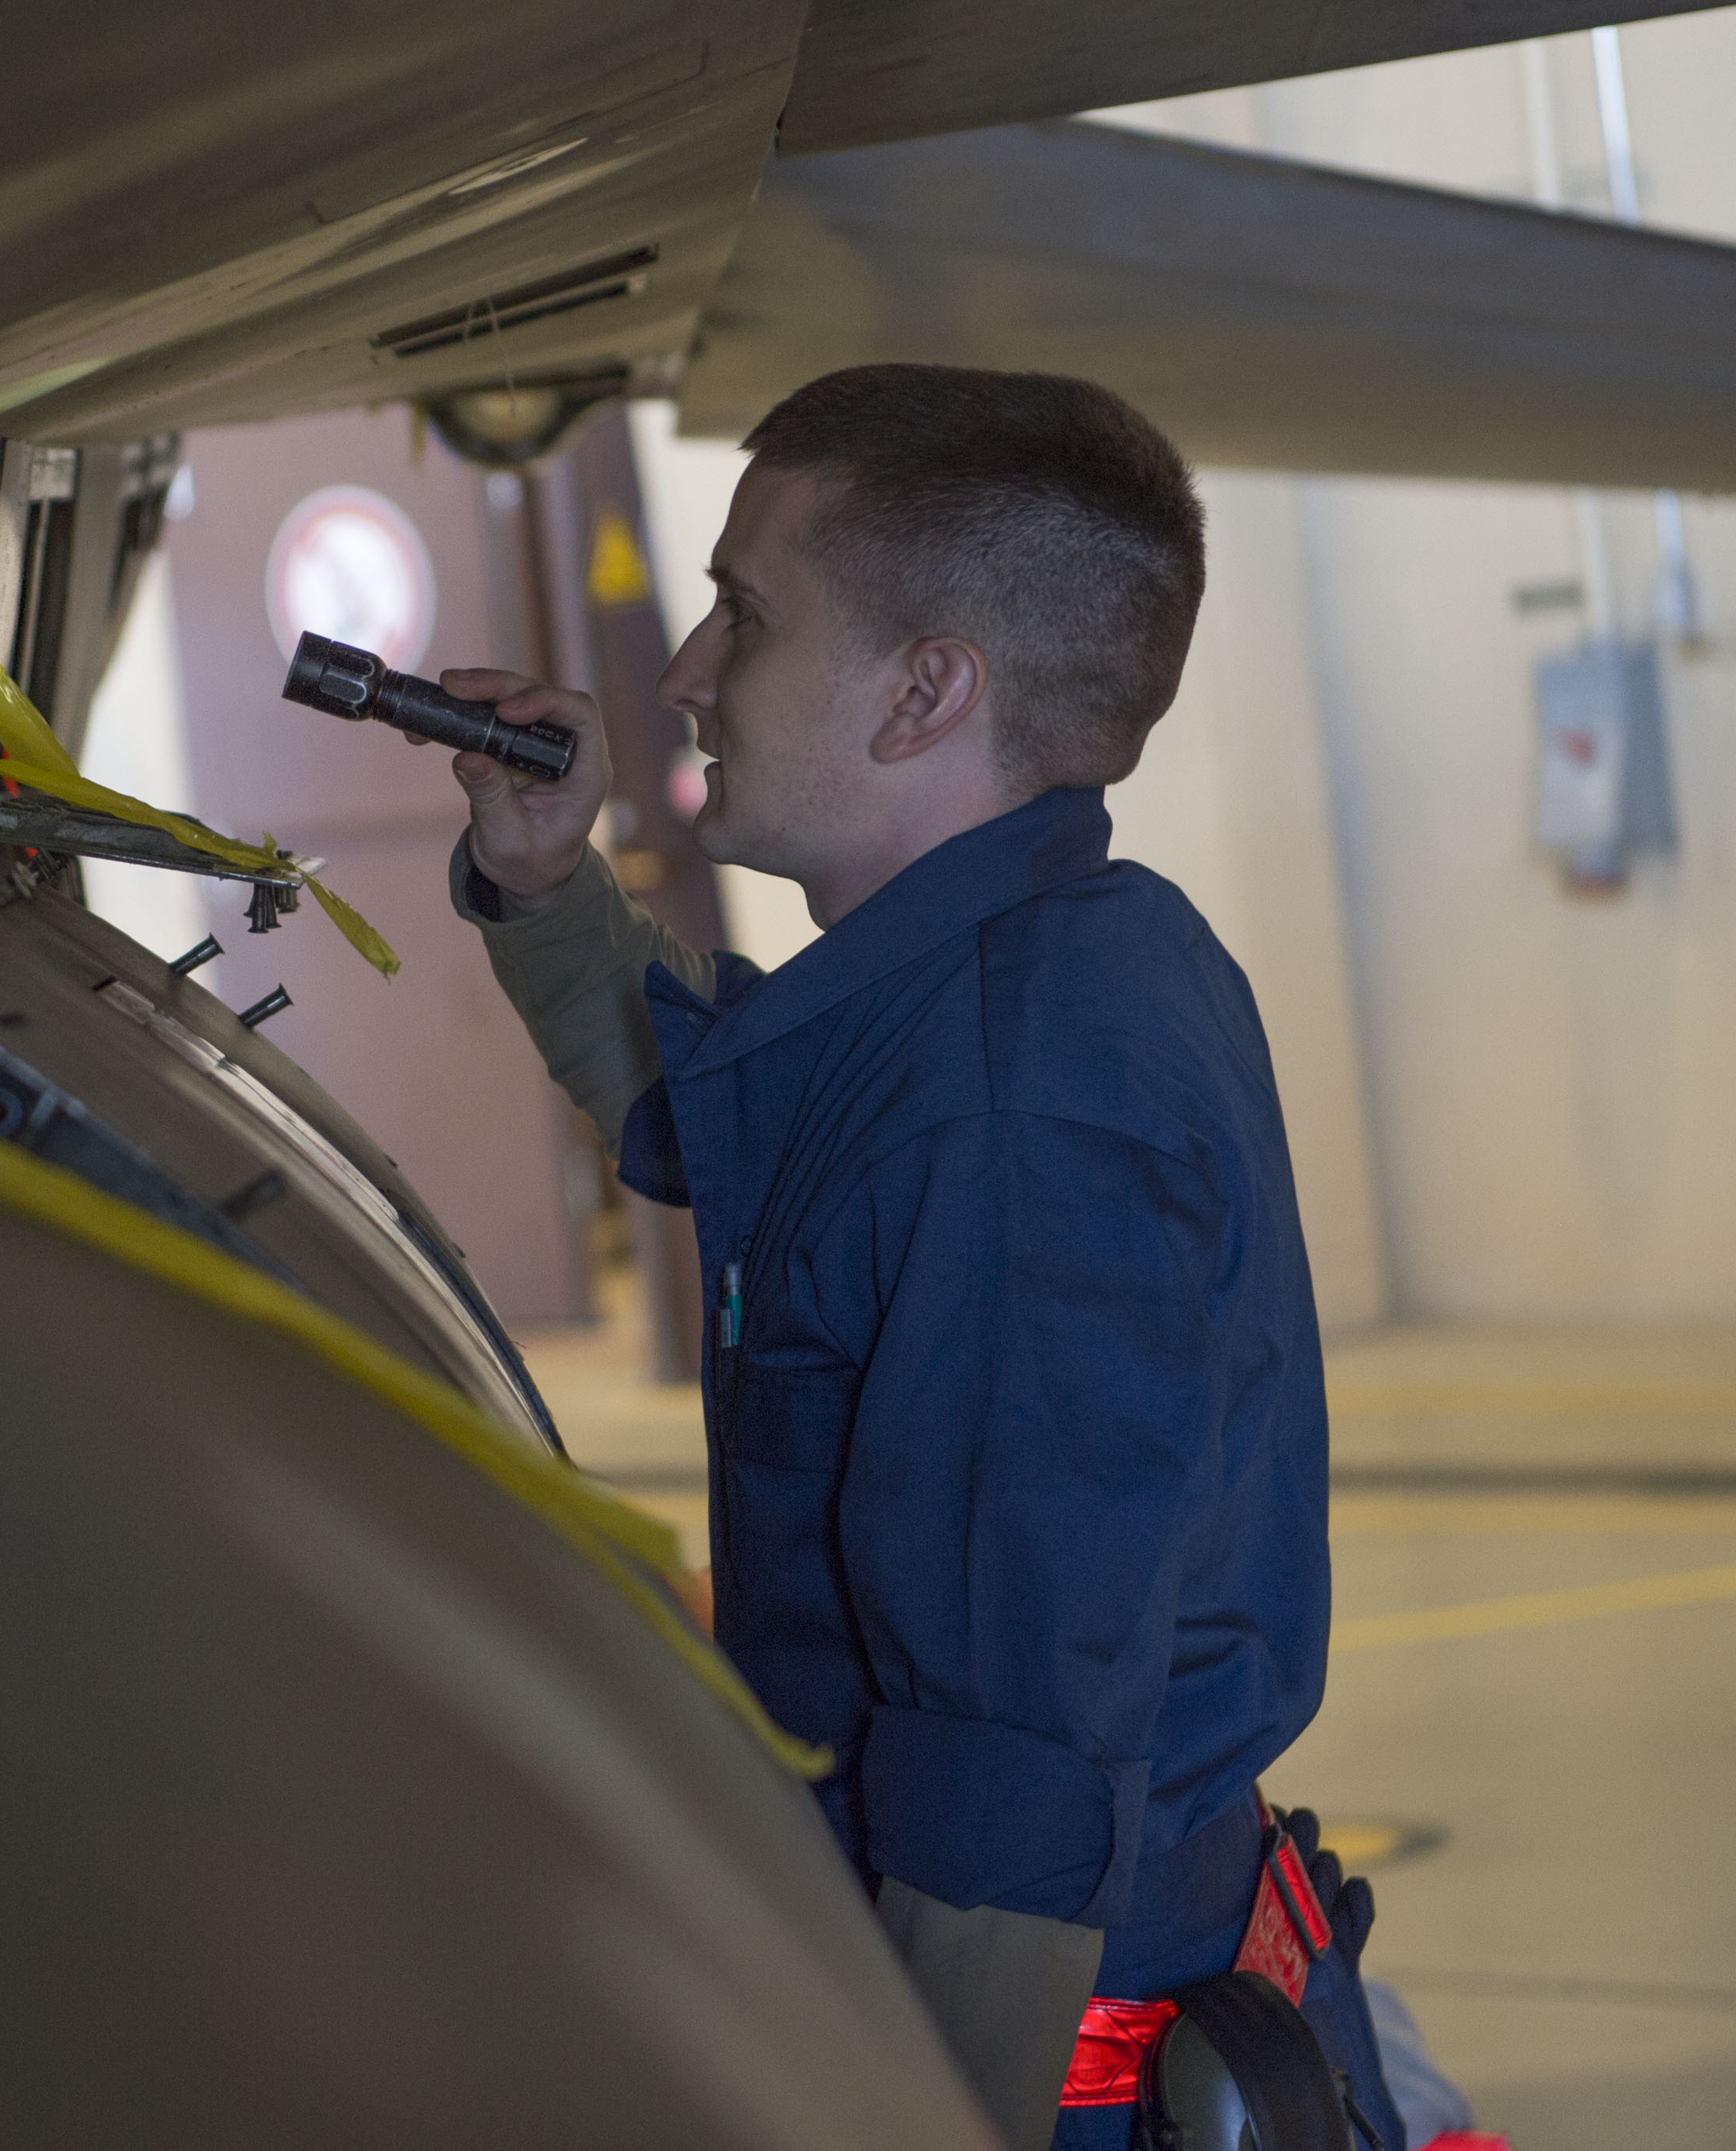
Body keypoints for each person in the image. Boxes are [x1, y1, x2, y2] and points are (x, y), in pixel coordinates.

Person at [437, 366, 1399, 2150]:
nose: (687, 673)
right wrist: (548, 877)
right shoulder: (1042, 963)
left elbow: (1004, 1761)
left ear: (925, 690)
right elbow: (720, 1128)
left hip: (1025, 2036)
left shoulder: (1015, 1103)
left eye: (746, 613)